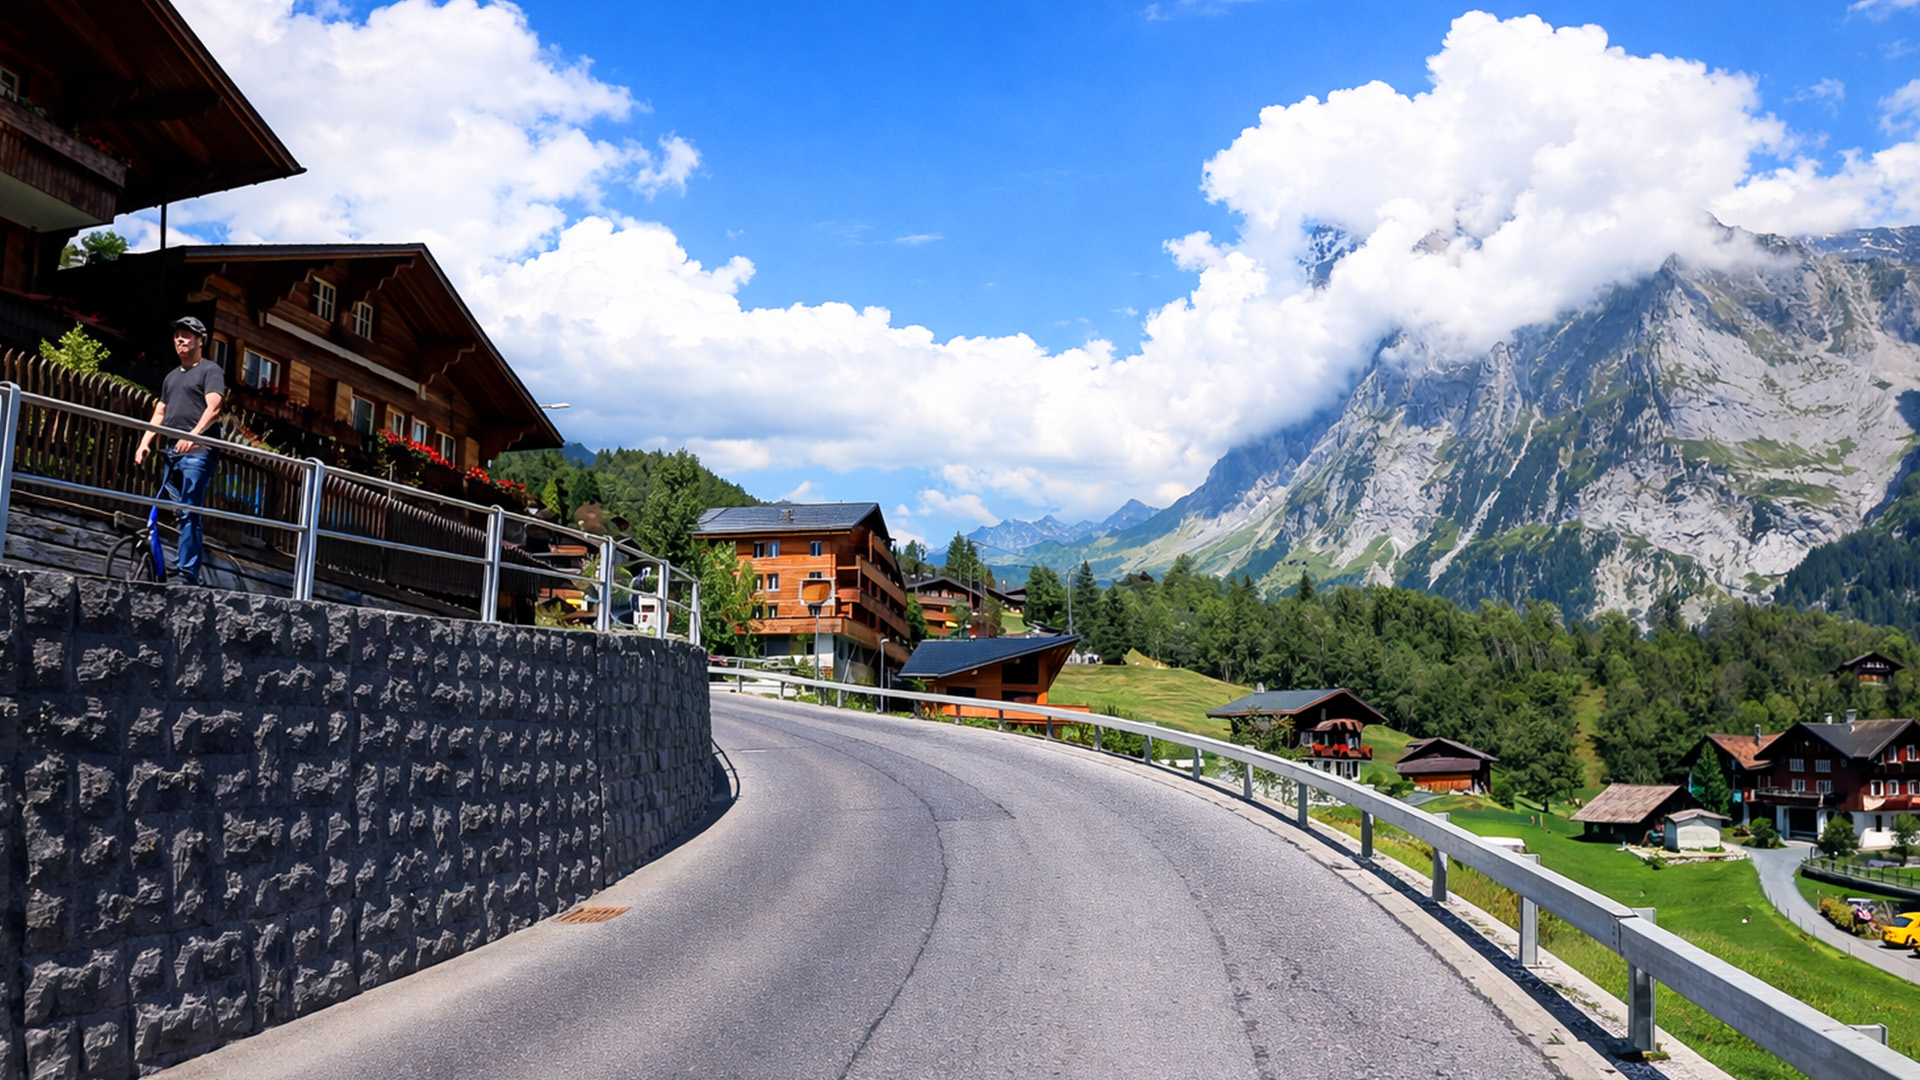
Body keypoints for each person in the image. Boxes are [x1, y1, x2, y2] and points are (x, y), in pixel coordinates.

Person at [134, 316, 224, 585]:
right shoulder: (171, 377)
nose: (180, 340)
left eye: (186, 335)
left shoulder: (211, 370)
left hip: (199, 450)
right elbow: (160, 411)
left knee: (188, 510)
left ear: (200, 341)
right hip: (172, 451)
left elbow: (215, 408)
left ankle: (187, 573)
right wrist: (144, 443)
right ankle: (167, 565)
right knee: (172, 508)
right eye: (177, 336)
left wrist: (193, 436)